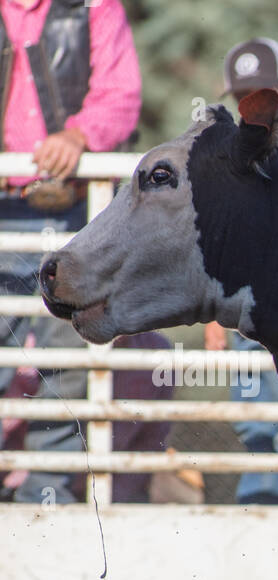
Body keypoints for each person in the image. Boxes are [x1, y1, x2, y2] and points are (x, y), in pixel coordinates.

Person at [0, 0, 140, 504]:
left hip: (67, 207)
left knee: (65, 357)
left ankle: (46, 495)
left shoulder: (93, 7)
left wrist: (79, 135)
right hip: (34, 205)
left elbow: (120, 95)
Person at [204, 38, 278, 506]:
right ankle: (265, 502)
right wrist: (211, 311)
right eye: (242, 98)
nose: (250, 109)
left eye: (261, 97)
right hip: (245, 307)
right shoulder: (233, 152)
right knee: (254, 416)